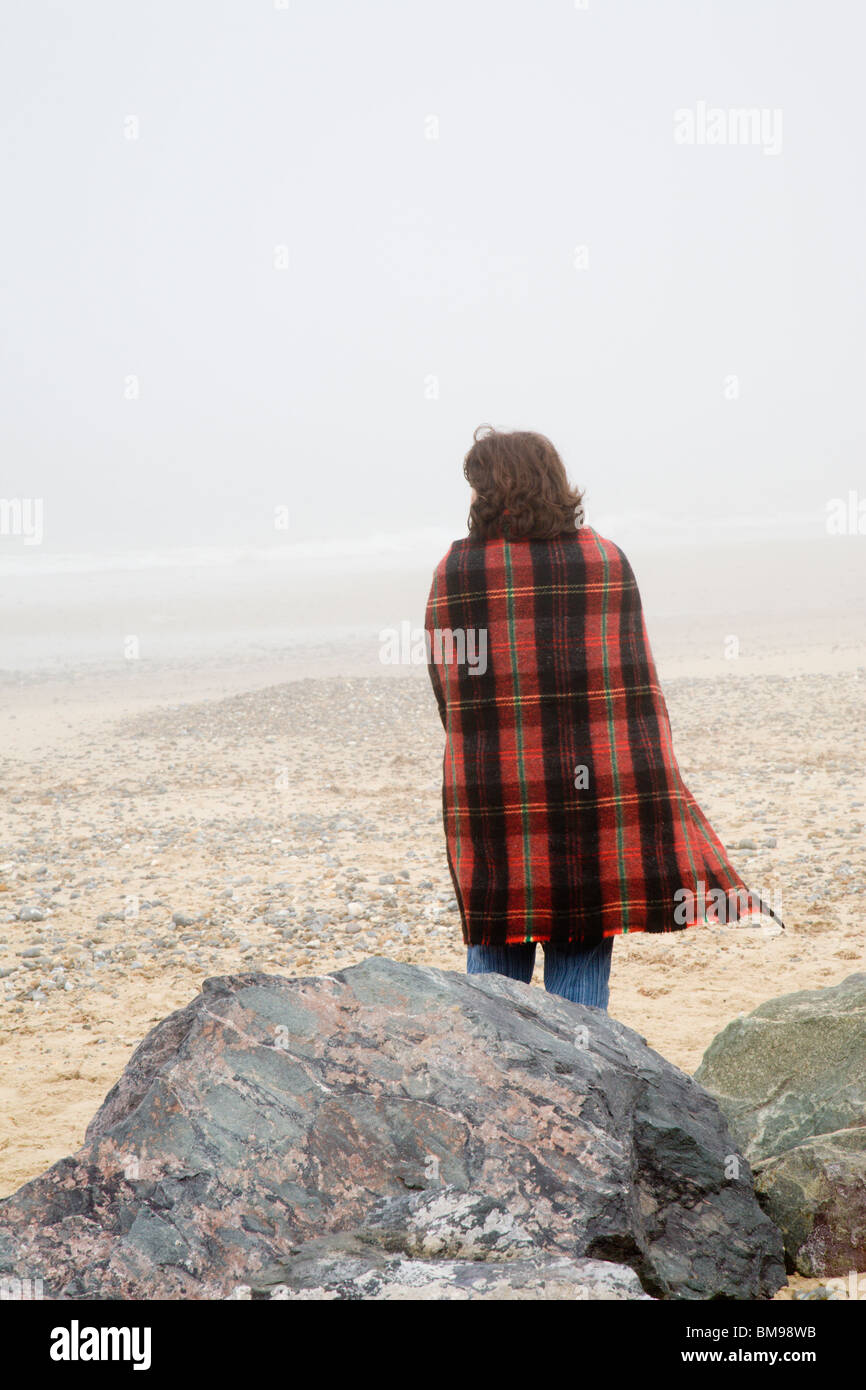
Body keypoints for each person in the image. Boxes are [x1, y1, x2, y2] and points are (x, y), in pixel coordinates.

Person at [424, 425, 781, 1013]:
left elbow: (450, 691)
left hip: (493, 798)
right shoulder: (605, 560)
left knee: (492, 969)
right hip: (591, 800)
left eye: (475, 487)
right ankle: (586, 1084)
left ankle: (492, 1090)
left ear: (491, 492)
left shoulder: (456, 572)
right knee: (580, 957)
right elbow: (636, 689)